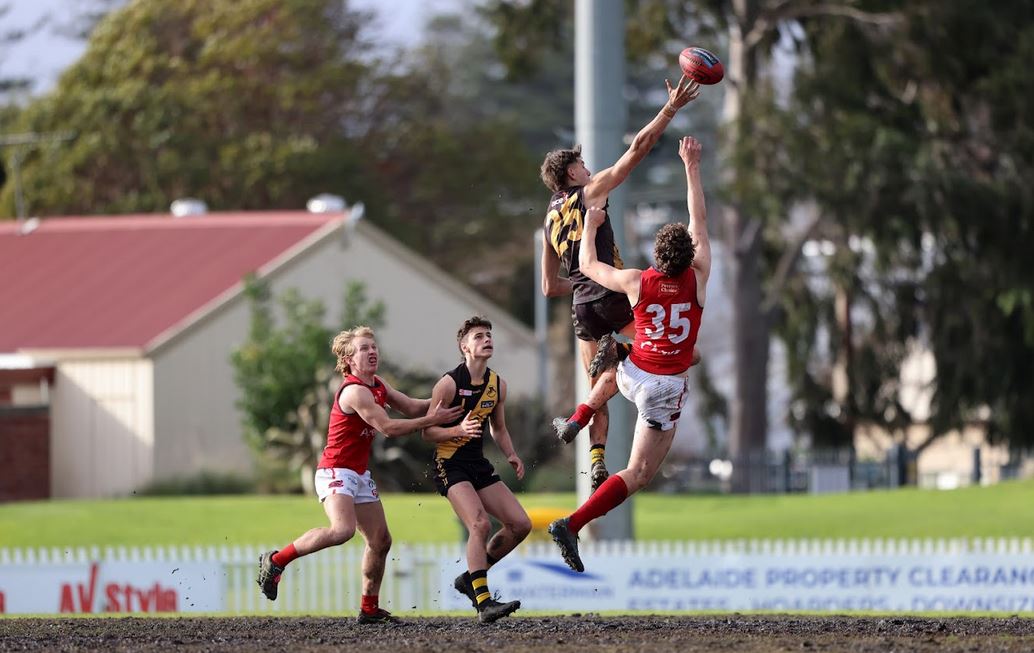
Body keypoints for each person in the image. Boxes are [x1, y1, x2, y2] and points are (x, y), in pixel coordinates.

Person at [549, 136, 711, 572]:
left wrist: (592, 227)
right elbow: (698, 219)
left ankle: (580, 417)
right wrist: (691, 168)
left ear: (658, 256)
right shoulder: (698, 277)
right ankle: (573, 523)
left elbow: (590, 266)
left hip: (634, 373)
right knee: (638, 473)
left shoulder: (638, 280)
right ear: (691, 255)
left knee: (620, 355)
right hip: (662, 389)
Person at [539, 75, 700, 491]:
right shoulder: (589, 192)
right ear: (572, 172)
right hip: (612, 294)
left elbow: (548, 286)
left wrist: (581, 284)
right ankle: (621, 348)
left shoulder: (548, 220)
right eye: (582, 163)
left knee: (599, 389)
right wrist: (670, 109)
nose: (588, 166)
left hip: (581, 306)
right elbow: (637, 150)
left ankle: (596, 461)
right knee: (682, 353)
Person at [256, 326, 464, 624]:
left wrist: (453, 398)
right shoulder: (354, 391)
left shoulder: (378, 384)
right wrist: (433, 419)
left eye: (374, 346)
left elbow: (410, 406)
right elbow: (389, 428)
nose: (372, 351)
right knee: (342, 531)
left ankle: (368, 609)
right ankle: (276, 561)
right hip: (334, 471)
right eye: (364, 348)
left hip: (358, 473)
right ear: (349, 359)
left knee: (380, 541)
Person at [423, 316, 531, 624]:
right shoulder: (448, 384)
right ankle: (484, 603)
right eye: (479, 335)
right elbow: (427, 433)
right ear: (464, 346)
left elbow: (499, 428)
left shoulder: (497, 385)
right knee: (480, 524)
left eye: (489, 335)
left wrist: (510, 454)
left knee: (520, 525)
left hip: (477, 463)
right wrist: (456, 430)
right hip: (449, 463)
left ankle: (470, 579)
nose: (487, 339)